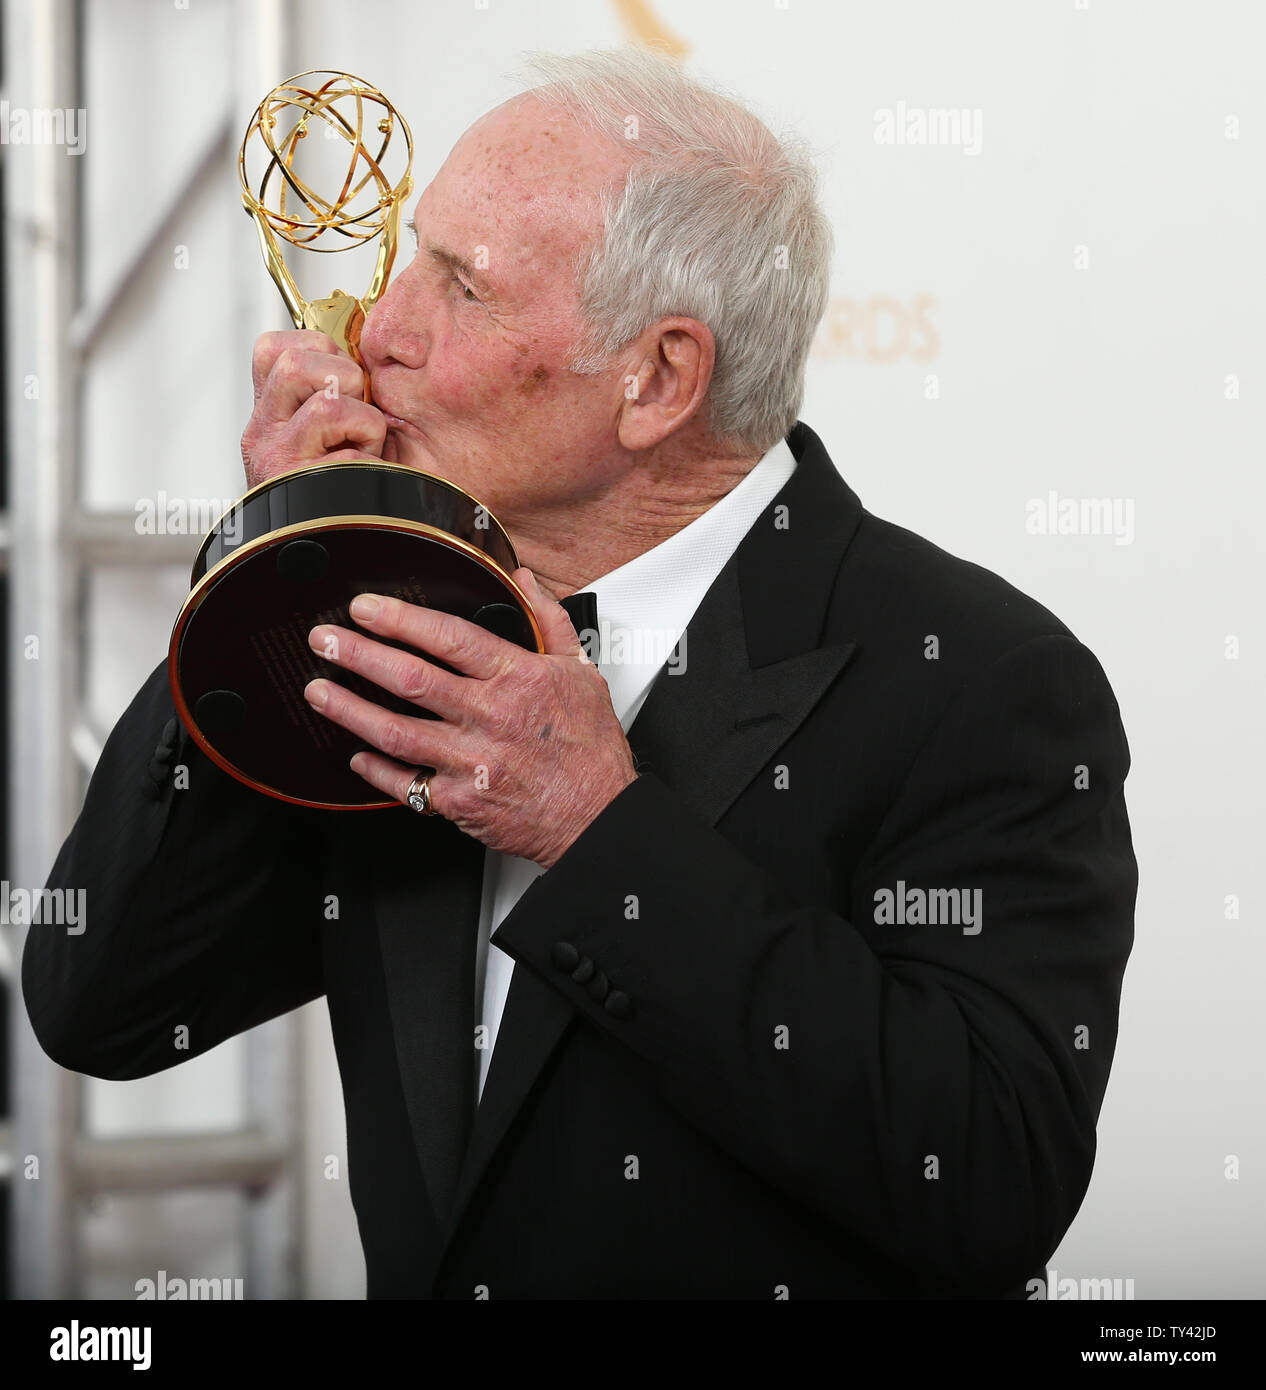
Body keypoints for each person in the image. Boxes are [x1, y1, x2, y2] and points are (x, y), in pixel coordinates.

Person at [22, 47, 1136, 1298]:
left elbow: (985, 1180)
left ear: (657, 379)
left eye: (463, 289)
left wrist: (596, 833)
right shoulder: (396, 613)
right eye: (407, 259)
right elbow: (101, 1007)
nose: (378, 328)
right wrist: (273, 571)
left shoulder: (984, 681)